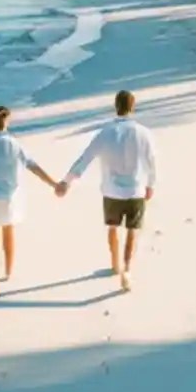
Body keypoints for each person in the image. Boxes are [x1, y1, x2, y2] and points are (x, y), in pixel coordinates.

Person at [56, 90, 156, 292]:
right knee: (132, 231)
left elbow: (84, 159)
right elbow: (152, 162)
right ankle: (127, 269)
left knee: (112, 228)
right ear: (132, 107)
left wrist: (66, 182)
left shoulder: (105, 133)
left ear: (115, 106)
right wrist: (151, 184)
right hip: (135, 190)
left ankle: (114, 263)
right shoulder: (143, 133)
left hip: (111, 191)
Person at [0, 105, 59, 298]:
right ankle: (8, 272)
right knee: (9, 232)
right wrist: (53, 184)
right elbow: (33, 166)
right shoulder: (14, 143)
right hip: (10, 196)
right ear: (6, 123)